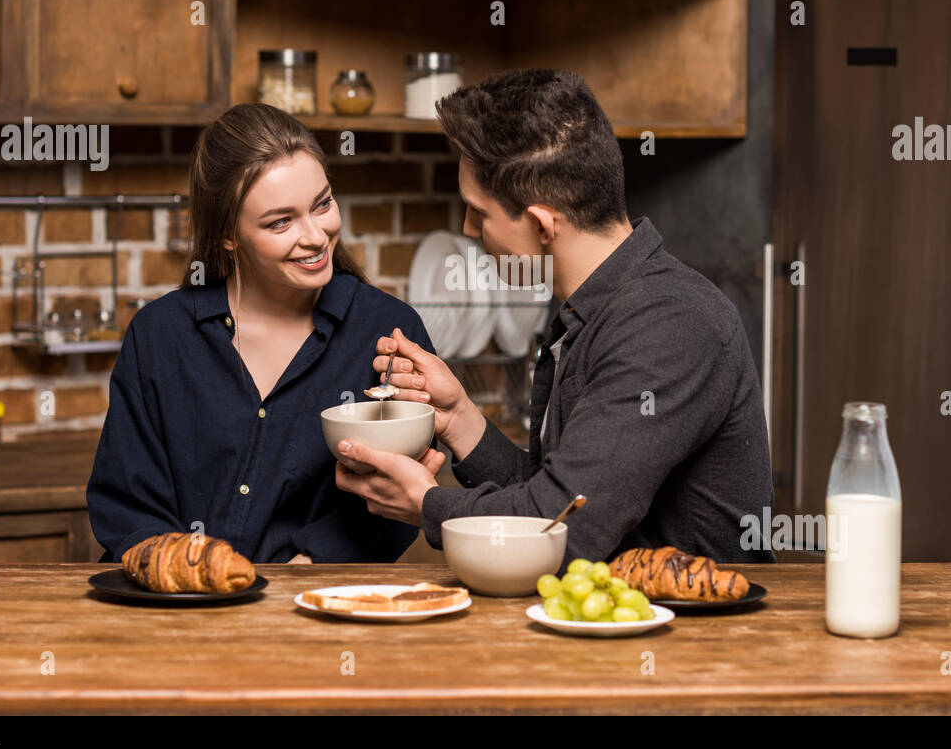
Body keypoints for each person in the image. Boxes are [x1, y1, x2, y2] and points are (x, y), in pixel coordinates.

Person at [331, 68, 775, 566]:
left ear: (541, 225)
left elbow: (563, 528)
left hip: (693, 636)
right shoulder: (595, 308)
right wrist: (460, 419)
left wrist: (426, 505)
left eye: (479, 213)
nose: (467, 229)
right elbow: (561, 495)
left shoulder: (670, 324)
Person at [87, 103, 442, 564]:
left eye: (322, 204)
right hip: (173, 608)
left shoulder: (388, 333)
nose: (315, 236)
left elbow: (400, 494)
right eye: (281, 221)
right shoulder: (160, 336)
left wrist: (311, 565)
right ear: (228, 235)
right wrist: (194, 576)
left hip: (314, 608)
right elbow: (126, 505)